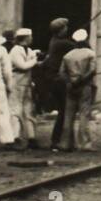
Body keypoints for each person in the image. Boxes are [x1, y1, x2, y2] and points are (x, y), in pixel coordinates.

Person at [40, 18, 76, 152]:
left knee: (64, 110)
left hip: (53, 79)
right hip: (58, 80)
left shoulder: (54, 41)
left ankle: (62, 140)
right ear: (61, 30)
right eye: (65, 27)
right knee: (65, 110)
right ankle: (58, 141)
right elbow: (80, 47)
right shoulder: (63, 43)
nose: (67, 29)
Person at [59, 29, 97, 152]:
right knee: (84, 115)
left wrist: (70, 82)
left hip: (70, 88)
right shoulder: (90, 53)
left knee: (68, 116)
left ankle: (65, 143)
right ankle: (84, 144)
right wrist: (81, 80)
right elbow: (92, 70)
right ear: (86, 39)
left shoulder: (67, 55)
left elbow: (62, 73)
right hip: (85, 86)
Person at [8, 28, 40, 149]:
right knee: (15, 110)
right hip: (16, 83)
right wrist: (35, 60)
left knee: (29, 110)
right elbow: (23, 66)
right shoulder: (15, 51)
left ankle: (31, 137)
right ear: (25, 38)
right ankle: (15, 137)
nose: (31, 39)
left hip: (26, 84)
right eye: (30, 37)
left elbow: (31, 62)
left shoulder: (29, 50)